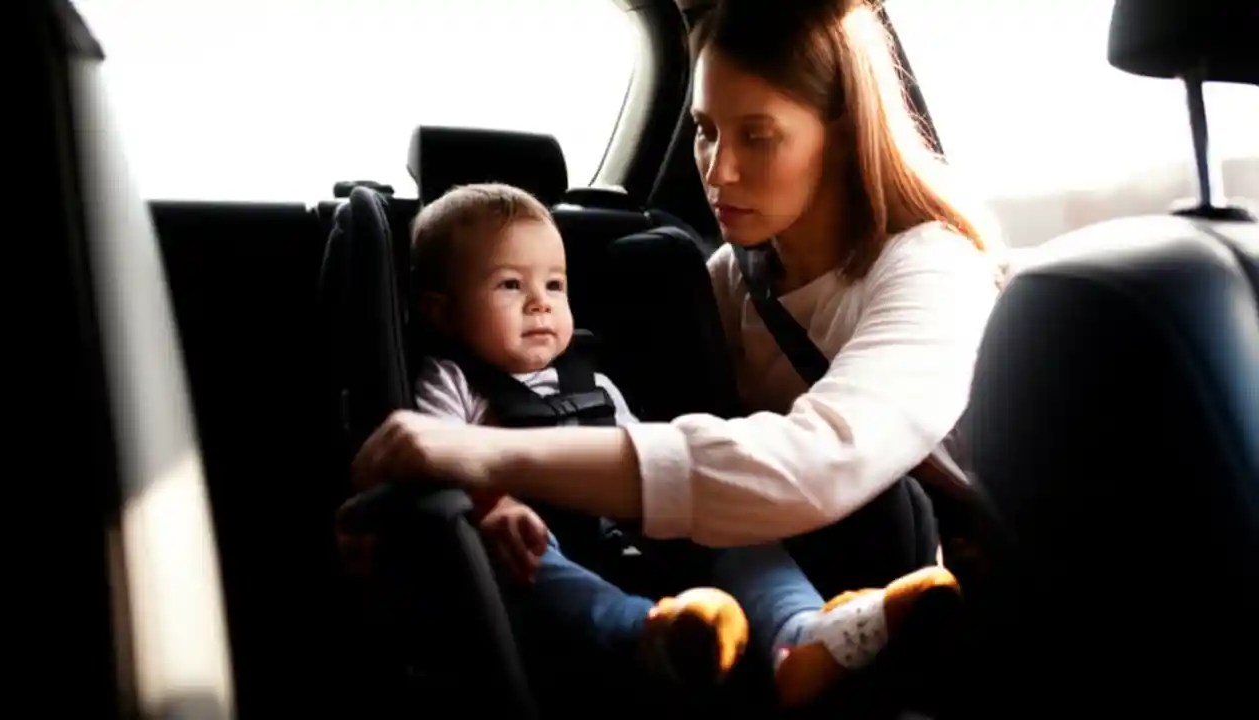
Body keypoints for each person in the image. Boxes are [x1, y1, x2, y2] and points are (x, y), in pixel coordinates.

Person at [351, 0, 1003, 707]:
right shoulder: (726, 283)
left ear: (841, 138)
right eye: (704, 132)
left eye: (757, 136)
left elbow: (814, 463)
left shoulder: (931, 270)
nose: (717, 172)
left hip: (1003, 583)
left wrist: (477, 453)